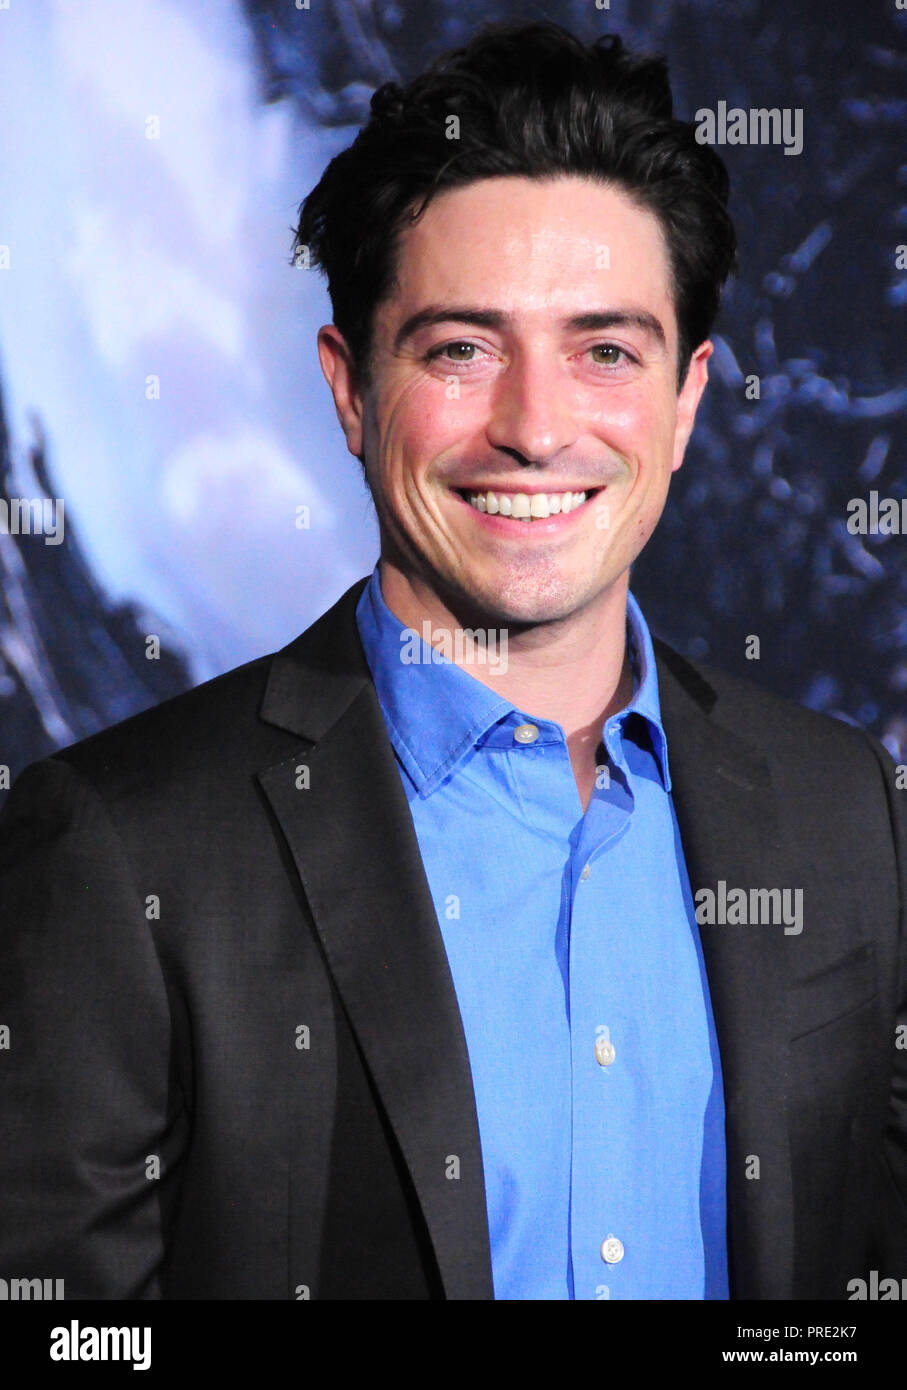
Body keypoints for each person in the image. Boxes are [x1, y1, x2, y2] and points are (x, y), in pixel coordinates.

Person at [0, 19, 904, 1302]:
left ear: (686, 401)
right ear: (352, 391)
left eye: (604, 351)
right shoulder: (121, 850)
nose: (535, 429)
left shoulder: (845, 817)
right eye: (460, 350)